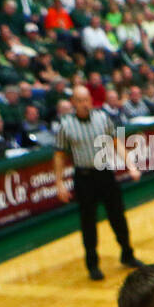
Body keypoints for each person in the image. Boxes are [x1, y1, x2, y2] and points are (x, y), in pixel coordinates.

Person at [53, 84, 142, 280]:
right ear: (73, 103)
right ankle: (92, 265)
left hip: (105, 173)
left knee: (118, 216)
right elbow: (59, 155)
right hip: (84, 177)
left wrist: (130, 165)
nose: (85, 104)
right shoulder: (65, 126)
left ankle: (127, 253)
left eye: (87, 100)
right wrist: (59, 183)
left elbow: (116, 142)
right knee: (88, 223)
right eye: (80, 101)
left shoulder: (102, 118)